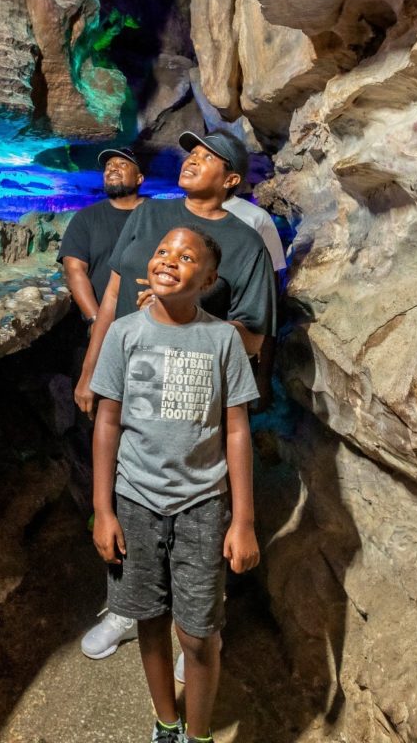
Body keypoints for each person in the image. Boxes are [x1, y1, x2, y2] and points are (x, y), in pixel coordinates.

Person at [78, 128, 274, 660]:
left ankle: (199, 628)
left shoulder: (247, 243)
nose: (193, 160)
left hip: (191, 403)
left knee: (195, 518)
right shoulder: (148, 216)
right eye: (192, 152)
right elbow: (115, 291)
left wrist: (181, 314)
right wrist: (89, 367)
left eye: (209, 157)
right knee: (123, 499)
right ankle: (125, 606)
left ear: (231, 180)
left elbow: (253, 335)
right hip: (129, 382)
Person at [89, 226, 260, 743]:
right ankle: (167, 723)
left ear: (207, 278)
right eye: (163, 250)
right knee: (147, 616)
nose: (169, 259)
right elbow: (107, 421)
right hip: (135, 498)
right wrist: (103, 509)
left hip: (202, 503)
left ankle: (199, 733)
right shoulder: (125, 333)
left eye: (186, 256)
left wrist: (244, 521)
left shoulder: (223, 338)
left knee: (200, 633)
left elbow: (235, 428)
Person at [57, 147, 145, 326]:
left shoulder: (157, 214)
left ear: (139, 178)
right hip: (101, 319)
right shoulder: (86, 217)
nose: (112, 168)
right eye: (108, 165)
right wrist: (96, 320)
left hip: (148, 322)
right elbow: (74, 270)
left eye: (122, 164)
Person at [222, 189, 286, 409]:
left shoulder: (255, 217)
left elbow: (269, 298)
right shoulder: (173, 213)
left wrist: (263, 376)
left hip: (238, 341)